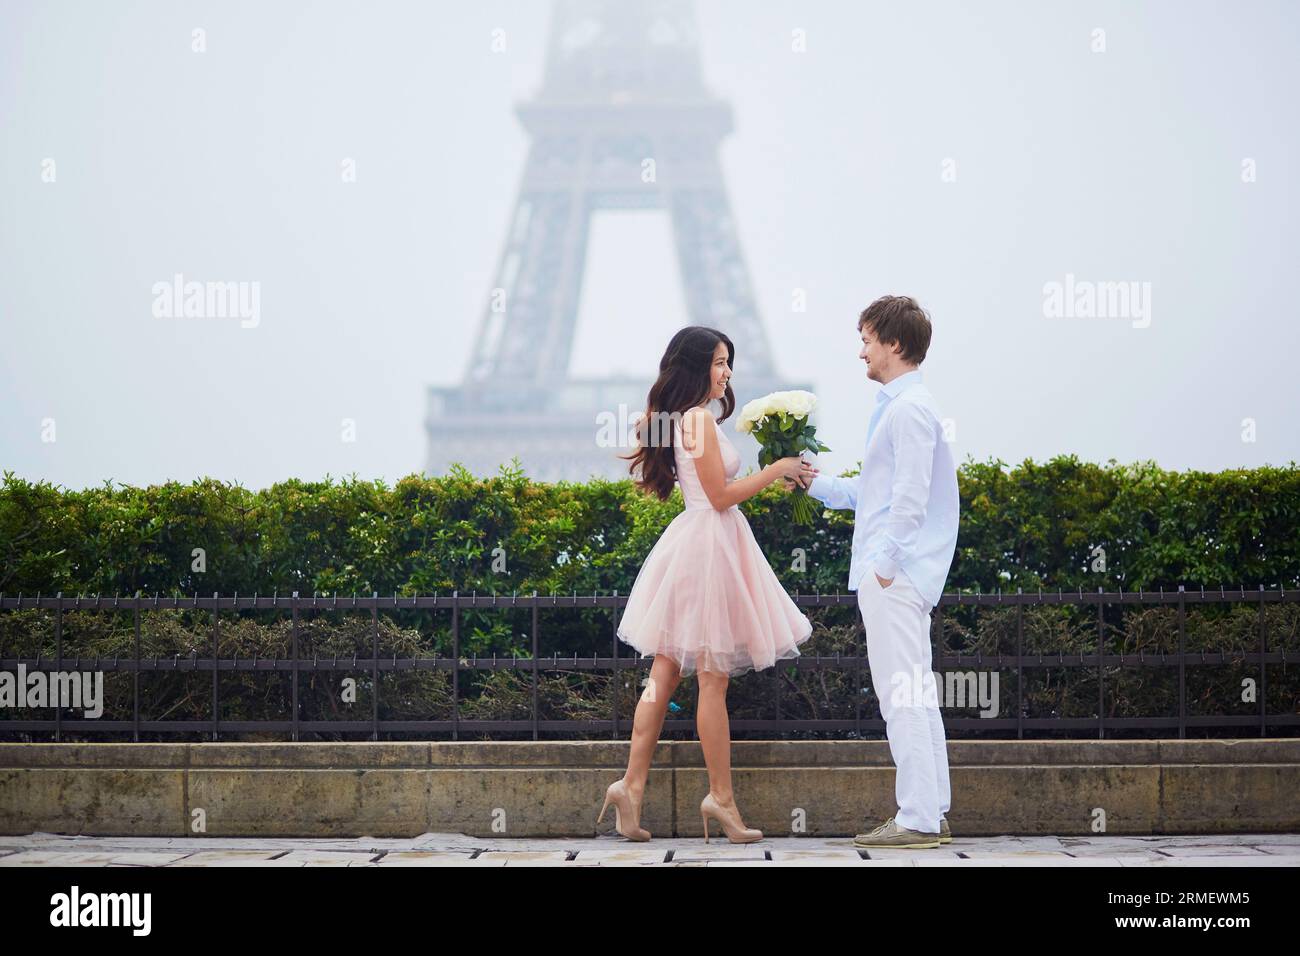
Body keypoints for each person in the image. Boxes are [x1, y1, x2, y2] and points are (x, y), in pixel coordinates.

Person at [598, 325, 817, 843]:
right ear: (697, 366)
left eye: (728, 362)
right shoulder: (696, 418)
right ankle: (720, 799)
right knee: (712, 680)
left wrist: (778, 473)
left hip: (699, 545)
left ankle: (630, 787)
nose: (727, 372)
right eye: (719, 362)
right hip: (710, 547)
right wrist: (777, 469)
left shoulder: (689, 417)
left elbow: (716, 490)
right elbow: (720, 495)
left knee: (664, 674)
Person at [791, 295, 960, 849]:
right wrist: (816, 484)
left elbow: (908, 500)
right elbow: (877, 492)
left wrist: (884, 567)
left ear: (894, 343)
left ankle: (917, 818)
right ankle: (931, 811)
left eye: (866, 340)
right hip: (904, 575)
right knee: (917, 693)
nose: (861, 351)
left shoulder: (906, 411)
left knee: (900, 695)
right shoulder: (908, 407)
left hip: (895, 576)